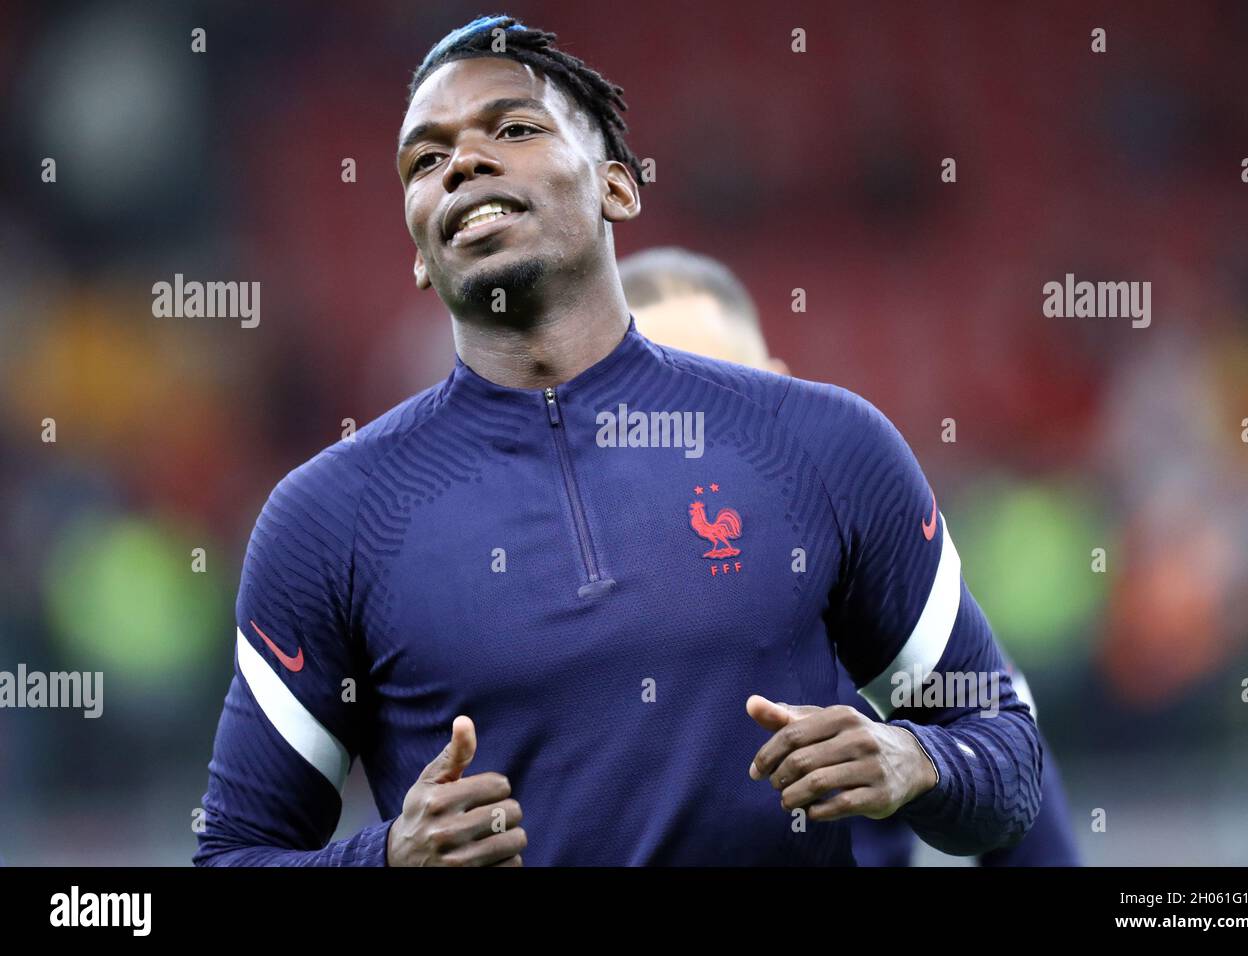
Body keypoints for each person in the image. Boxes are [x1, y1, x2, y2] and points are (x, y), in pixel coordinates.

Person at [195, 14, 1041, 867]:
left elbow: (1009, 759)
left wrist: (920, 759)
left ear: (618, 189)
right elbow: (230, 855)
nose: (462, 163)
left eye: (515, 128)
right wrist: (381, 862)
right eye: (425, 159)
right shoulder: (329, 520)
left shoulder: (824, 445)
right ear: (419, 248)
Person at [621, 246, 1080, 866]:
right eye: (661, 418)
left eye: (726, 397)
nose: (694, 442)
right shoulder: (535, 634)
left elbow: (1020, 809)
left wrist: (919, 761)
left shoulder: (872, 597)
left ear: (779, 388)